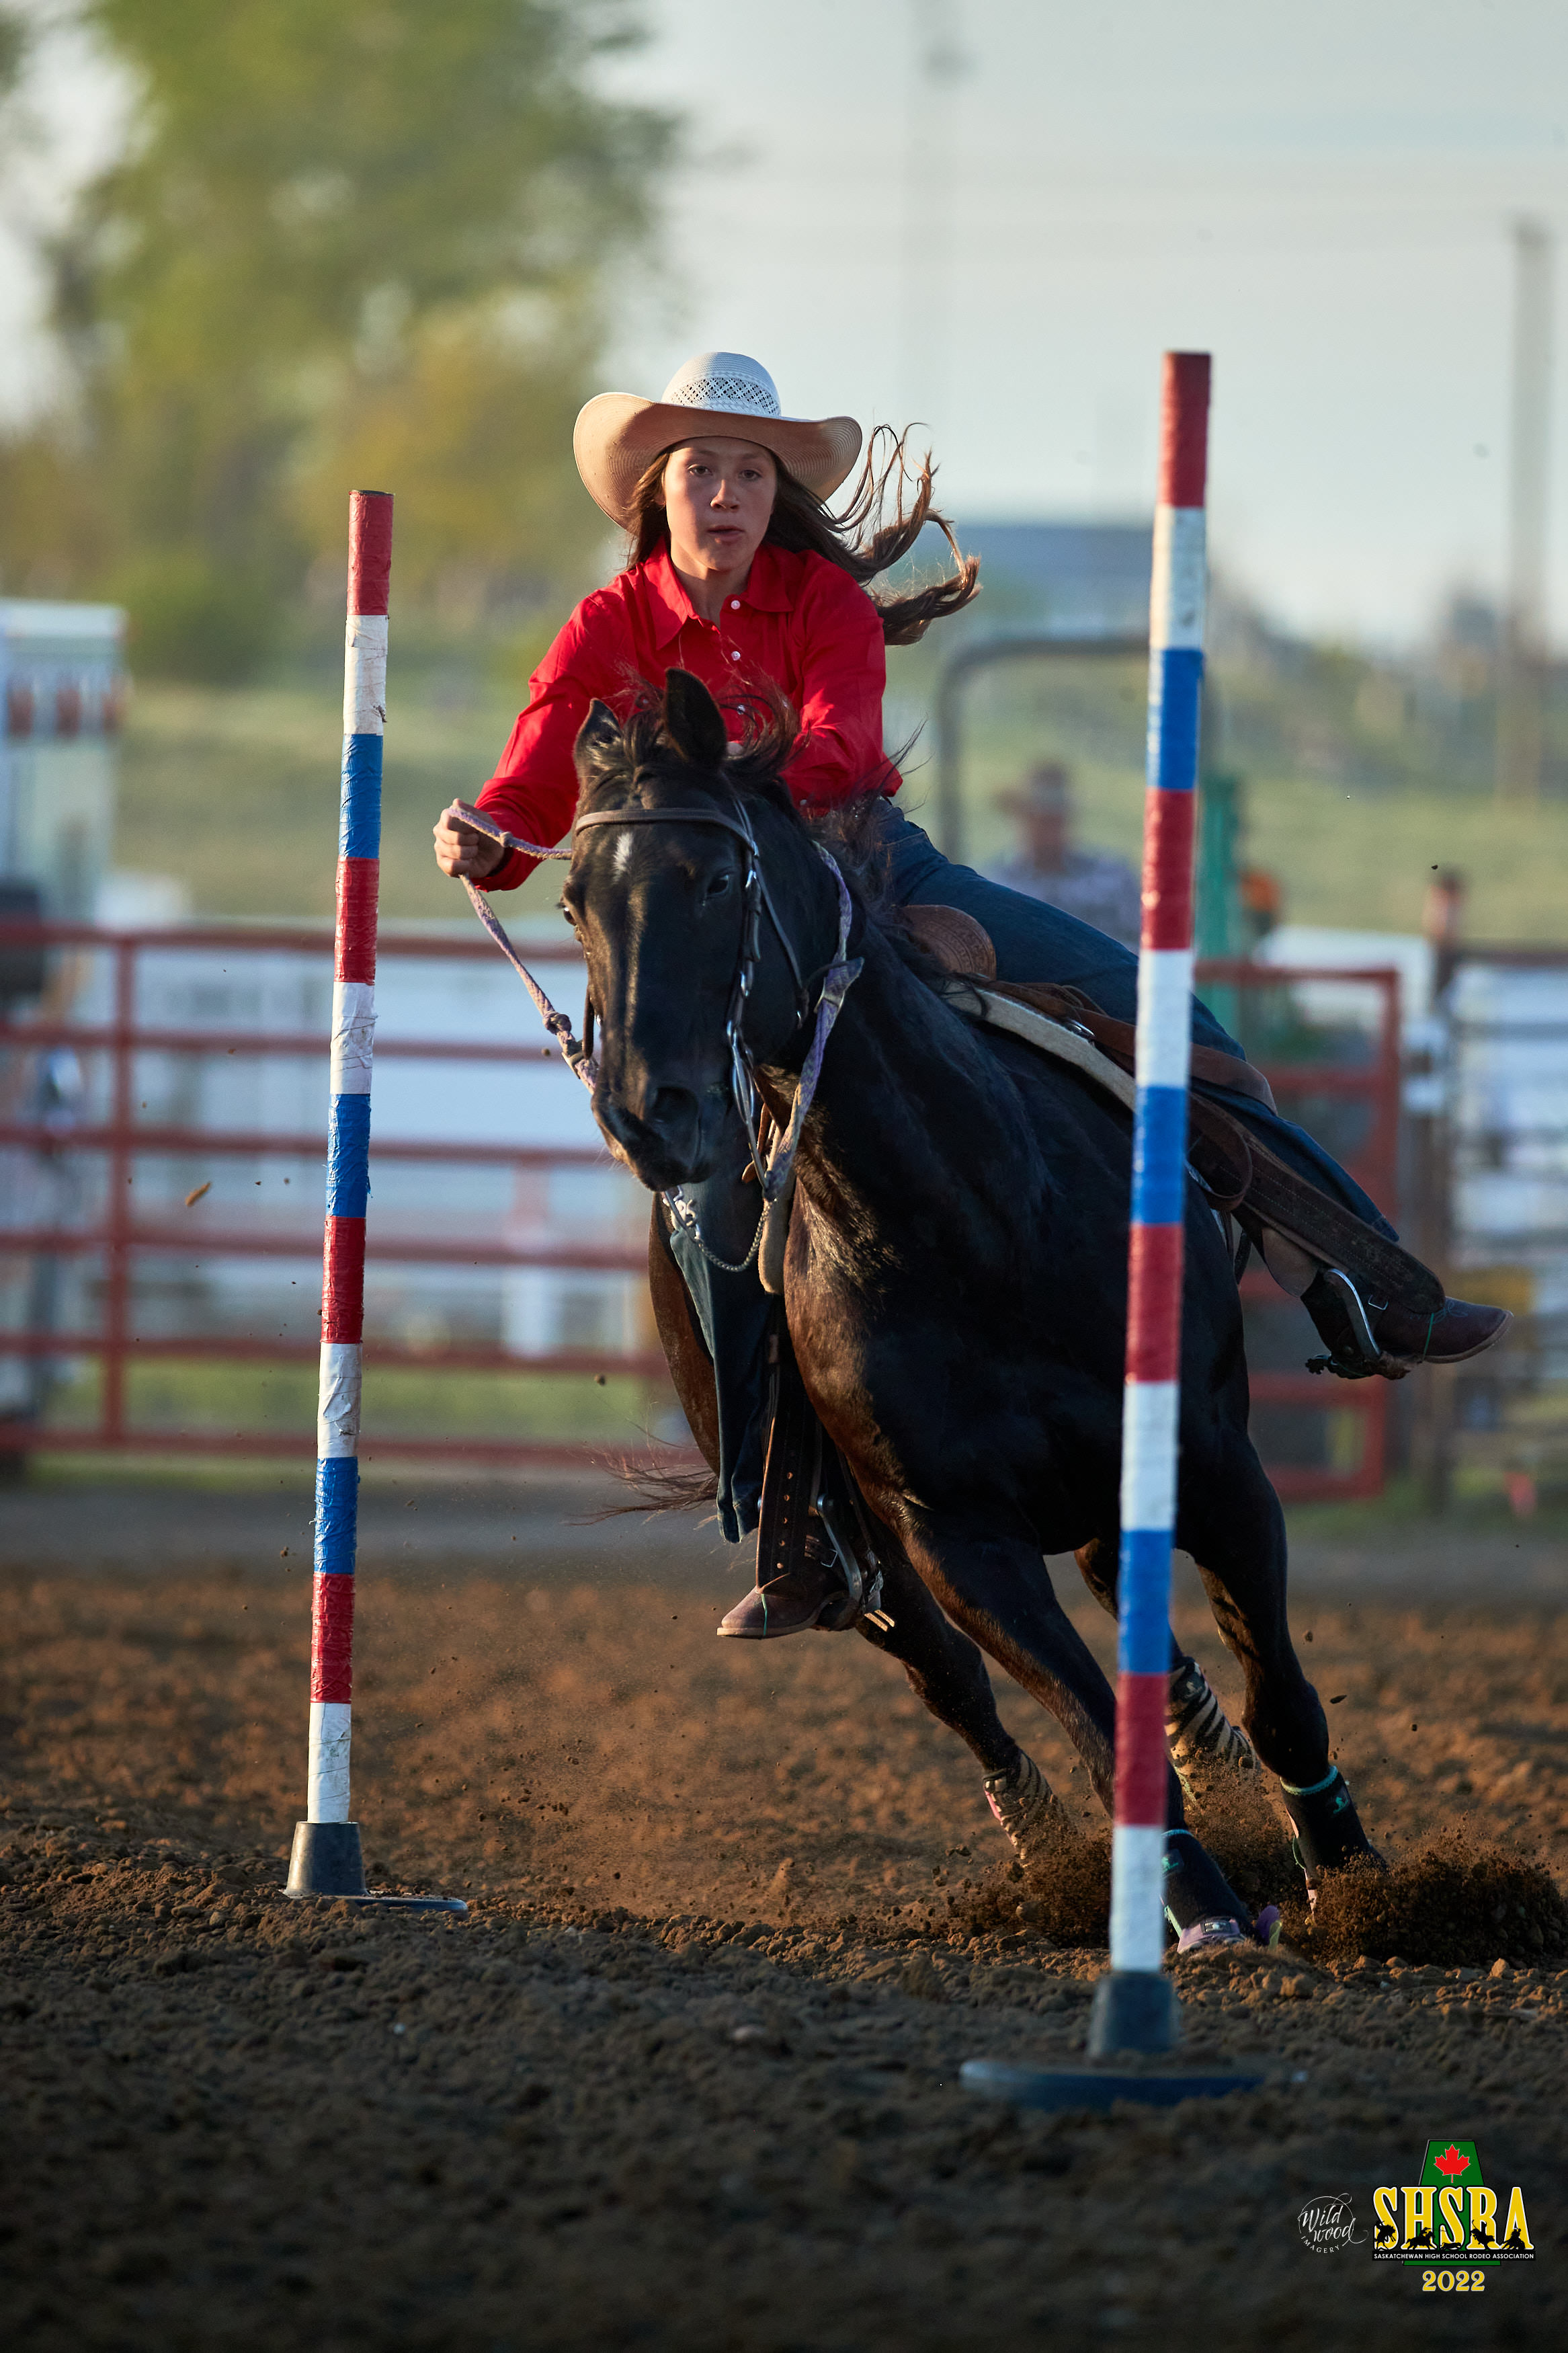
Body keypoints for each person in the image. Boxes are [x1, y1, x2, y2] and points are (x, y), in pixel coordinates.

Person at [434, 350, 1509, 1636]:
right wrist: (485, 839)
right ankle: (791, 1525)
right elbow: (529, 785)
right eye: (699, 469)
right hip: (718, 942)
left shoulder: (818, 601)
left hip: (865, 874)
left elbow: (841, 748)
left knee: (1166, 1024)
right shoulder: (606, 628)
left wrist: (735, 784)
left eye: (746, 471)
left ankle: (1357, 1272)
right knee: (699, 1198)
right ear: (654, 494)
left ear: (775, 494)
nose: (722, 494)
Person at [985, 761, 1141, 947]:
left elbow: (1144, 942)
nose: (1050, 828)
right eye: (1041, 818)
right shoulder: (995, 883)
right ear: (1020, 817)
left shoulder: (1113, 877)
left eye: (1056, 818)